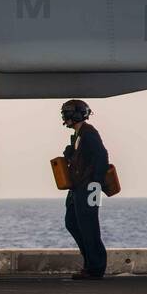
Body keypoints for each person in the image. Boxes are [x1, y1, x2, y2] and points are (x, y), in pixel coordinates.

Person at [60, 99, 109, 280]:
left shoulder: (89, 133)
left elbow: (102, 156)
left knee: (89, 226)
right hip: (78, 187)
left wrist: (95, 182)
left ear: (76, 114)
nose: (65, 116)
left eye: (68, 112)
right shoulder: (79, 135)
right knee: (72, 222)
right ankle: (90, 262)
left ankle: (95, 267)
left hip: (88, 187)